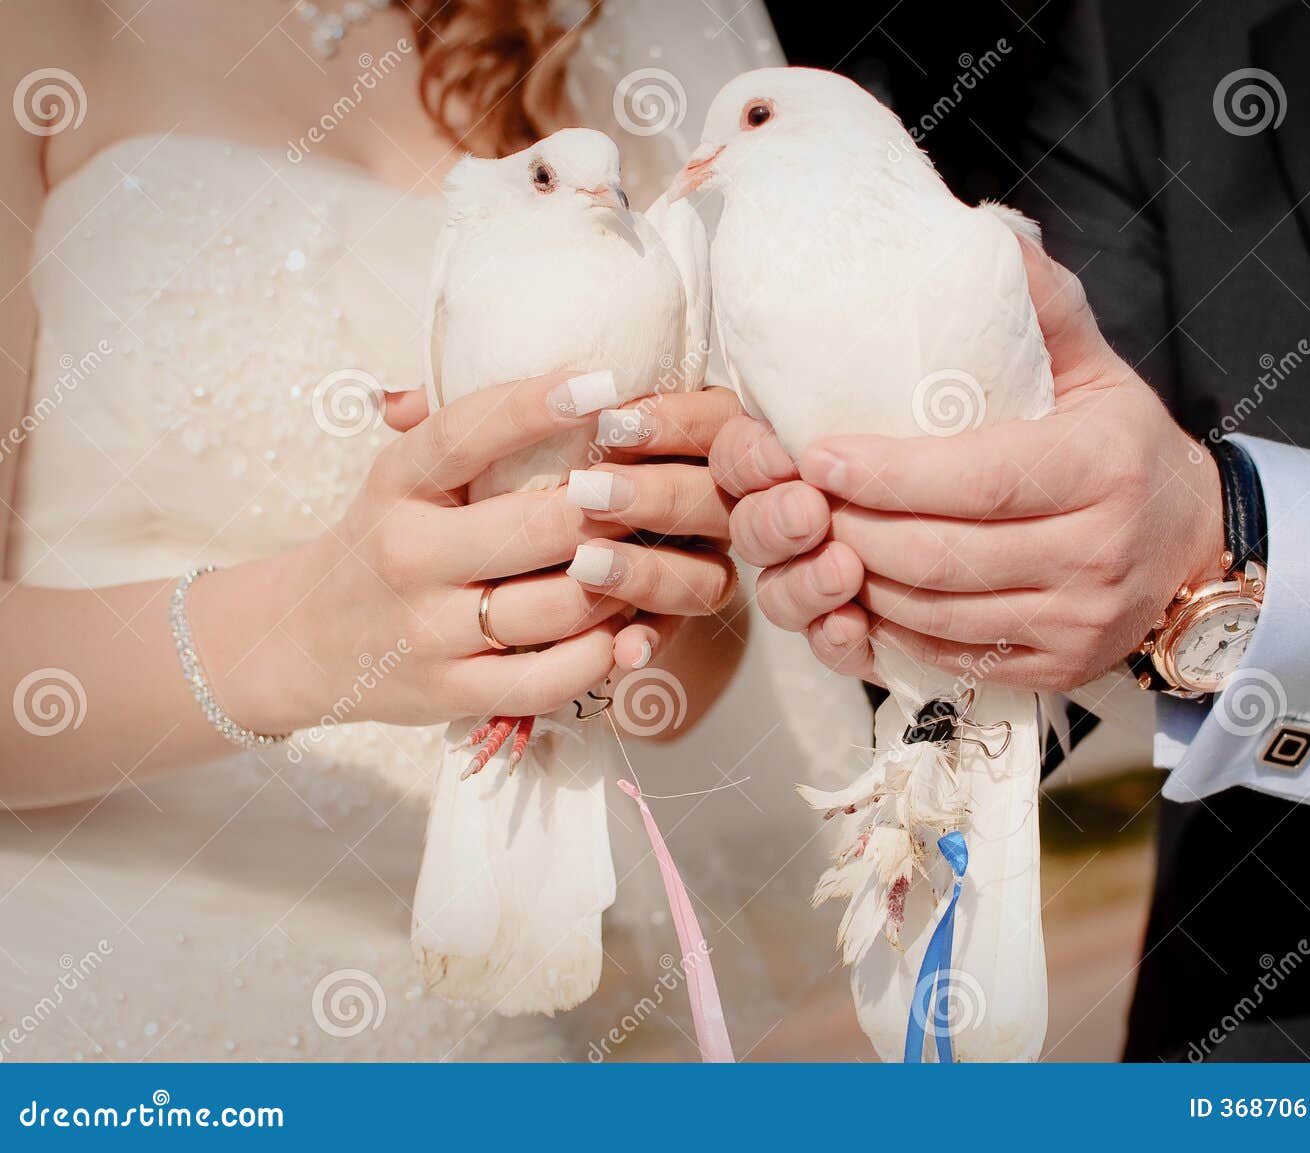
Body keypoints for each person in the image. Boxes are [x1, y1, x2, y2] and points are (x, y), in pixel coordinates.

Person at [716, 0, 1310, 1060]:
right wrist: (885, 543)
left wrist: (1231, 550)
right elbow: (1058, 450)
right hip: (1260, 1014)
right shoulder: (1158, 28)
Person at [0, 0, 870, 1061]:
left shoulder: (568, 41)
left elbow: (674, 690)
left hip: (509, 977)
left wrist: (652, 587)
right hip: (94, 975)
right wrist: (310, 637)